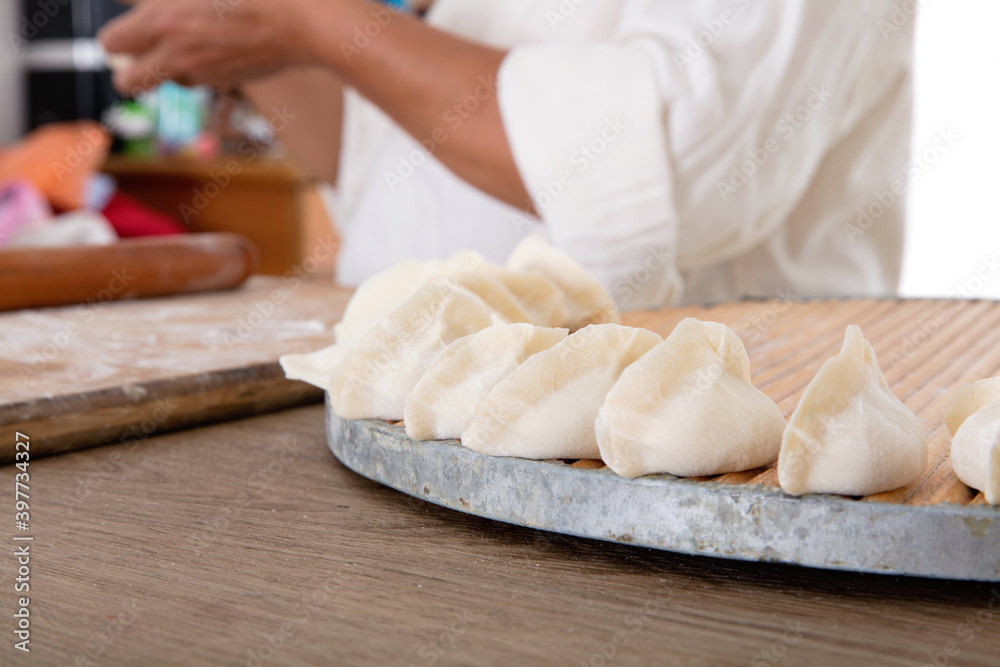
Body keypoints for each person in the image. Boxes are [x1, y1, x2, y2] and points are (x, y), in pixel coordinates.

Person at [100, 0, 914, 310]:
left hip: (704, 492)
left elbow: (669, 167)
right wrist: (253, 32)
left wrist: (312, 21)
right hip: (424, 436)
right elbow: (373, 160)